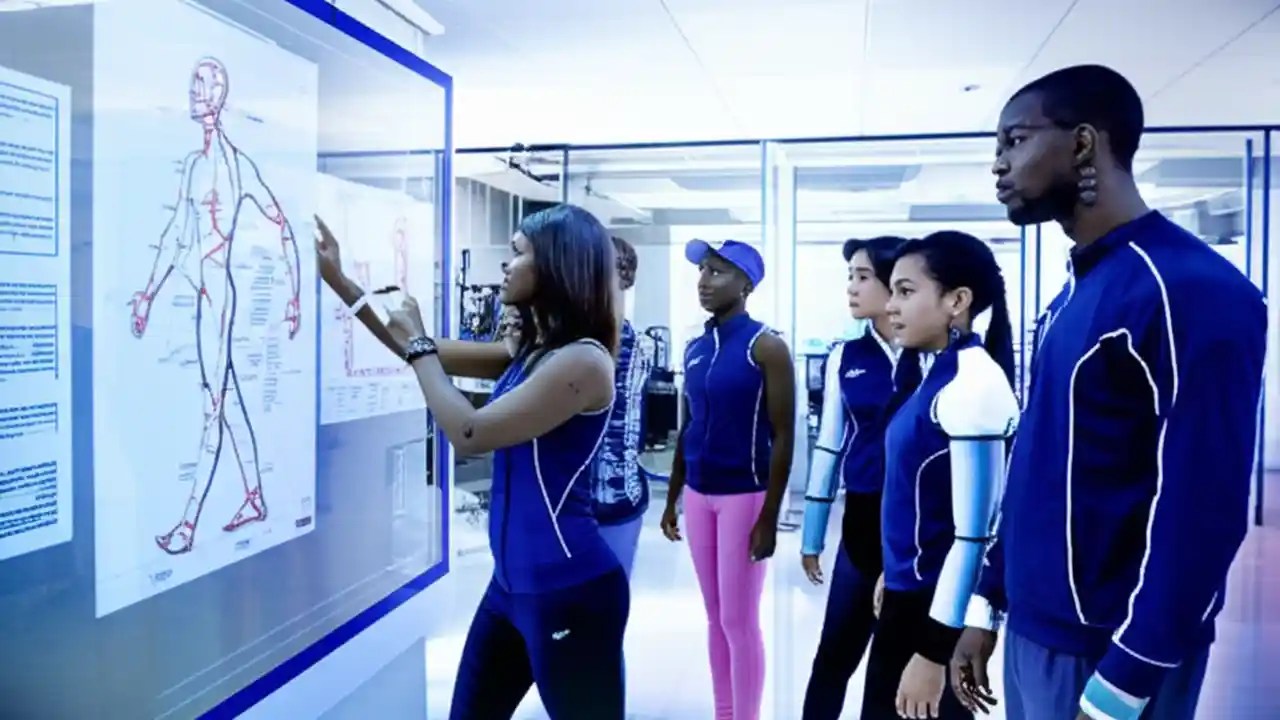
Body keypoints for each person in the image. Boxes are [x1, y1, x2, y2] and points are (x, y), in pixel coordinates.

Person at [950, 65, 1268, 720]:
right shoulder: (1072, 296)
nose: (998, 165)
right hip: (1036, 633)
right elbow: (1036, 467)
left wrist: (1130, 674)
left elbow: (1205, 508)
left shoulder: (1190, 290)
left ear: (1083, 143)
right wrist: (989, 601)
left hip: (1111, 651)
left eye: (1015, 140)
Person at [318, 204, 630, 720]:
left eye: (517, 253)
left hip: (570, 592)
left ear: (556, 265)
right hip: (508, 590)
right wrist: (340, 281)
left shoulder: (584, 361)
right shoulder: (533, 353)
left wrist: (421, 346)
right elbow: (411, 349)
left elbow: (470, 433)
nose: (505, 265)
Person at [860, 231, 1020, 720]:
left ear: (957, 300)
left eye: (906, 291)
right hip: (909, 596)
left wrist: (933, 652)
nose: (891, 305)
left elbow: (975, 536)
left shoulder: (974, 385)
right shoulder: (937, 373)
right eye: (892, 291)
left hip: (934, 611)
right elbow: (923, 500)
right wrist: (894, 569)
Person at [660, 239, 797, 720]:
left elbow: (784, 434)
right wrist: (673, 496)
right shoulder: (697, 348)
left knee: (739, 621)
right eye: (702, 270)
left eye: (717, 272)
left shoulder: (767, 347)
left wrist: (769, 517)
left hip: (745, 495)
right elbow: (689, 426)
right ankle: (725, 713)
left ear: (746, 285)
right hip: (700, 494)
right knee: (716, 618)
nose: (704, 281)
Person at [799, 236, 908, 720]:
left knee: (892, 668)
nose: (851, 287)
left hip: (916, 529)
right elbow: (830, 444)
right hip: (862, 522)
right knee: (834, 656)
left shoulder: (934, 355)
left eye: (863, 277)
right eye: (851, 276)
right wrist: (812, 536)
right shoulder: (846, 356)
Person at [593, 236, 655, 576]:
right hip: (572, 506)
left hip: (616, 501)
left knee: (608, 598)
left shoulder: (638, 346)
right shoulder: (565, 341)